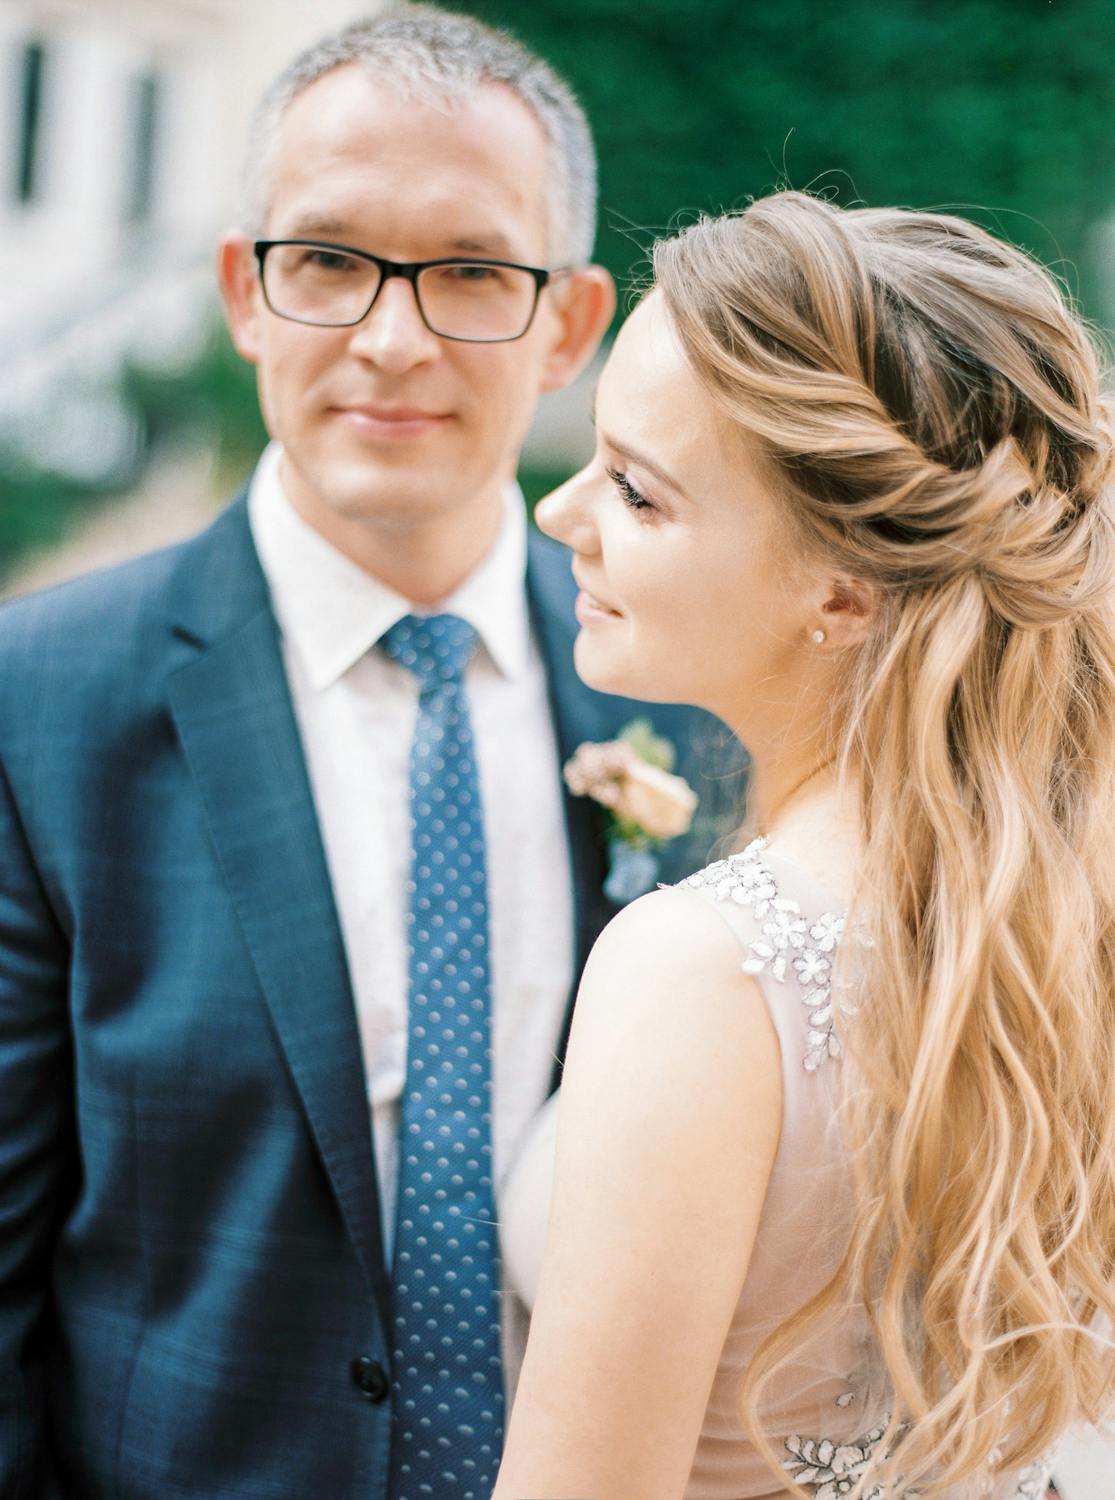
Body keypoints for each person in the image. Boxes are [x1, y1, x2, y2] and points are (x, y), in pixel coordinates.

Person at [0, 9, 741, 1498]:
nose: (390, 339)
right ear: (242, 292)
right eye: (329, 261)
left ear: (570, 327)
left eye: (471, 271)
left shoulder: (699, 705)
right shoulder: (37, 704)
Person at [492, 191, 1115, 1500]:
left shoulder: (701, 976)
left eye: (639, 492)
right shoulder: (1072, 919)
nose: (561, 514)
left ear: (841, 587)